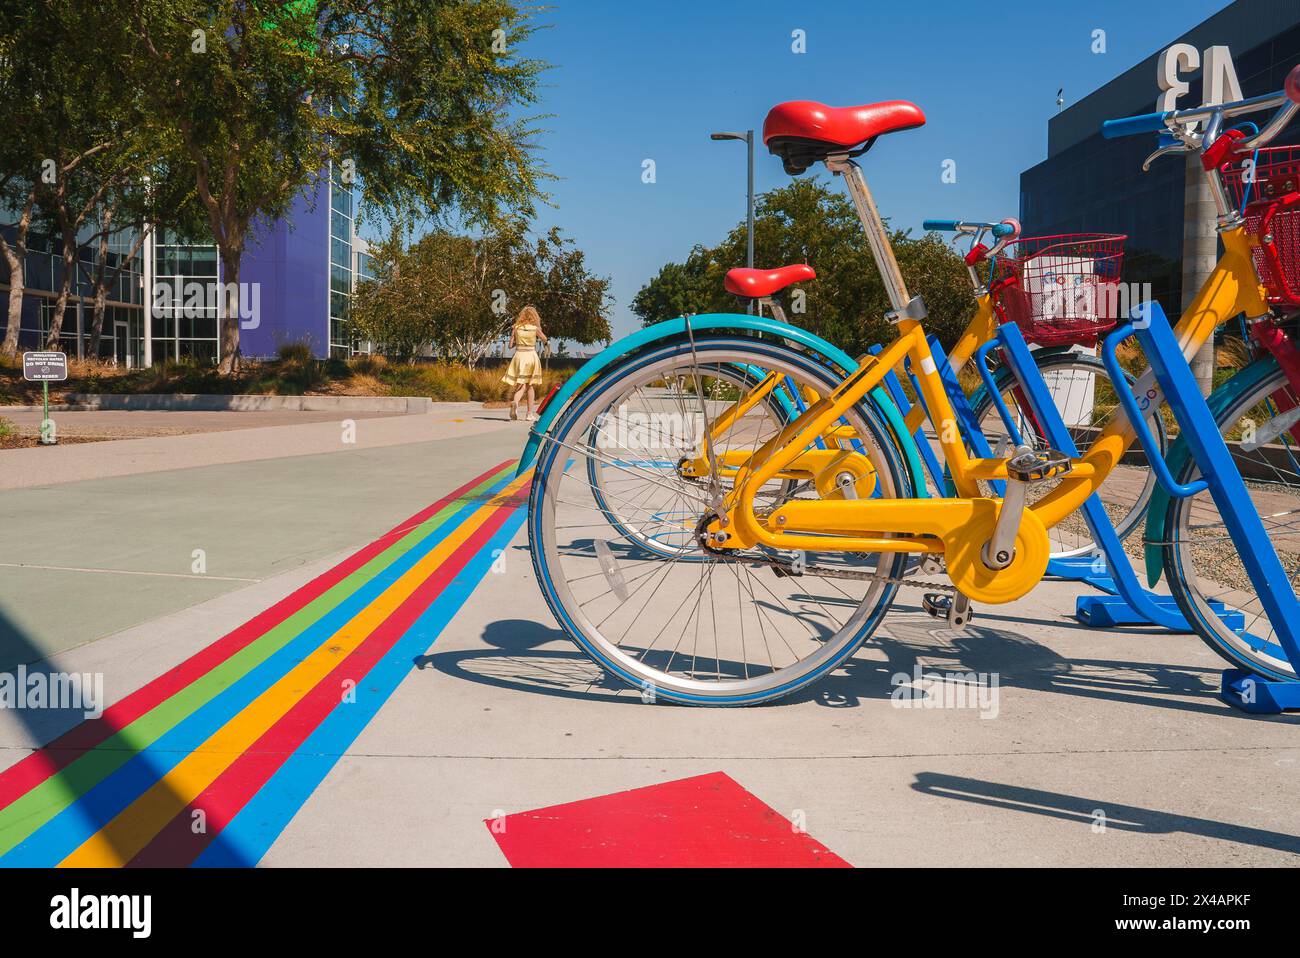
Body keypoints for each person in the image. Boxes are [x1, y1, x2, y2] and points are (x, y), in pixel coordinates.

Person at [502, 305, 548, 421]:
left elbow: (510, 345)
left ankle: (515, 402)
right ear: (534, 317)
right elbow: (544, 339)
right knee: (530, 386)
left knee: (521, 385)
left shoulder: (516, 328)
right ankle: (529, 414)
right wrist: (540, 330)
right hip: (531, 356)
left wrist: (517, 340)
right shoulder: (535, 328)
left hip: (519, 356)